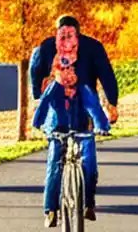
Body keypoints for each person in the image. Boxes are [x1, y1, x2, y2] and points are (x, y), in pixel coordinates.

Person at [33, 52, 111, 227]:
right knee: (54, 165)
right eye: (63, 70)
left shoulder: (83, 89)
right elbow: (44, 106)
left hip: (82, 130)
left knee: (90, 162)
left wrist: (101, 126)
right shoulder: (54, 89)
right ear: (57, 72)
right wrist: (38, 124)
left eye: (71, 70)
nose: (68, 74)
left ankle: (88, 204)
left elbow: (94, 109)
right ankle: (51, 210)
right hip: (57, 131)